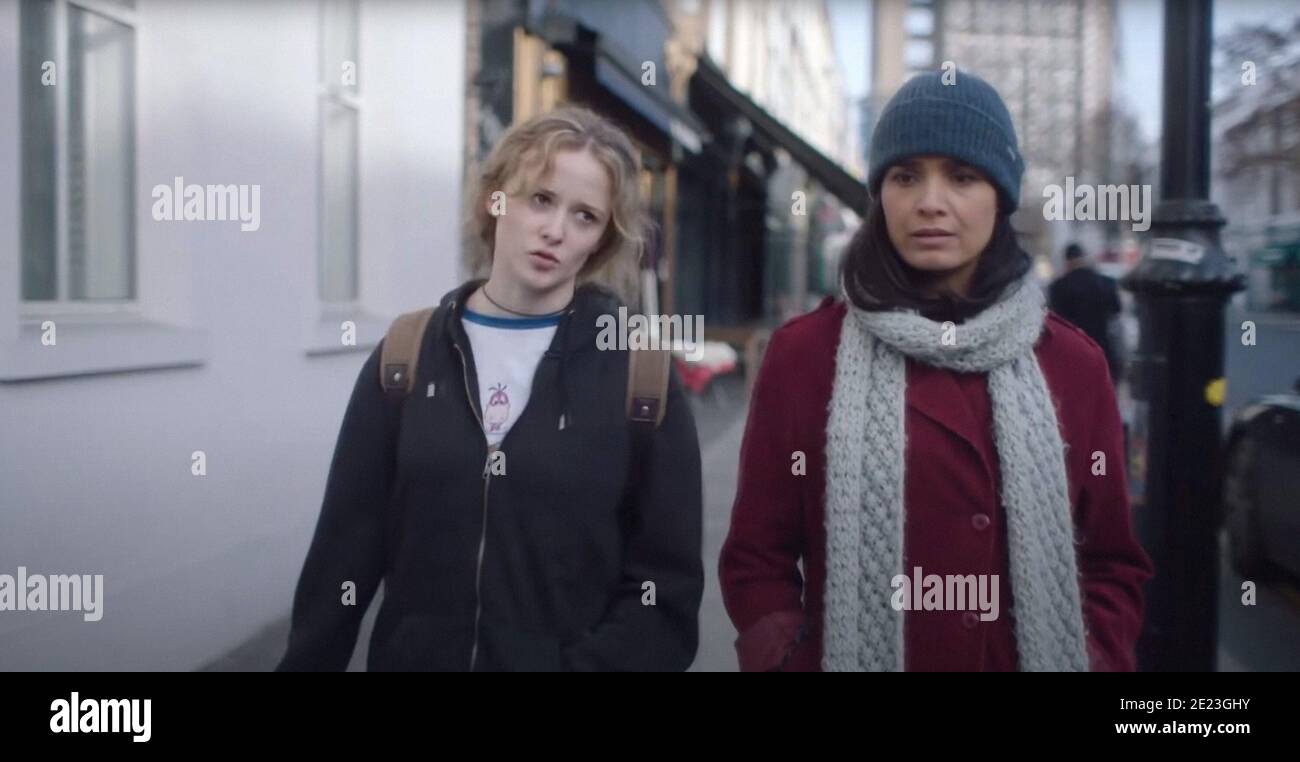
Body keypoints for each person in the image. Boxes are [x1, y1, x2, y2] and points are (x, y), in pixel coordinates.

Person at [718, 71, 1153, 671]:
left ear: (999, 195)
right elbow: (757, 558)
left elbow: (1110, 560)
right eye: (905, 176)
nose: (930, 201)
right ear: (881, 194)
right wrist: (788, 658)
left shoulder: (1072, 366)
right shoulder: (805, 355)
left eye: (962, 176)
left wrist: (1095, 656)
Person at [279, 107, 703, 671]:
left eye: (585, 216)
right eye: (541, 199)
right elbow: (342, 559)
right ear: (496, 199)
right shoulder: (406, 355)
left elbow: (664, 598)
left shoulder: (639, 375)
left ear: (601, 241)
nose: (555, 230)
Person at [1048, 243, 1123, 380]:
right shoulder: (1105, 283)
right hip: (1103, 349)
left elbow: (1054, 320)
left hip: (1073, 352)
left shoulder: (1058, 287)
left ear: (1067, 261)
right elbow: (1116, 310)